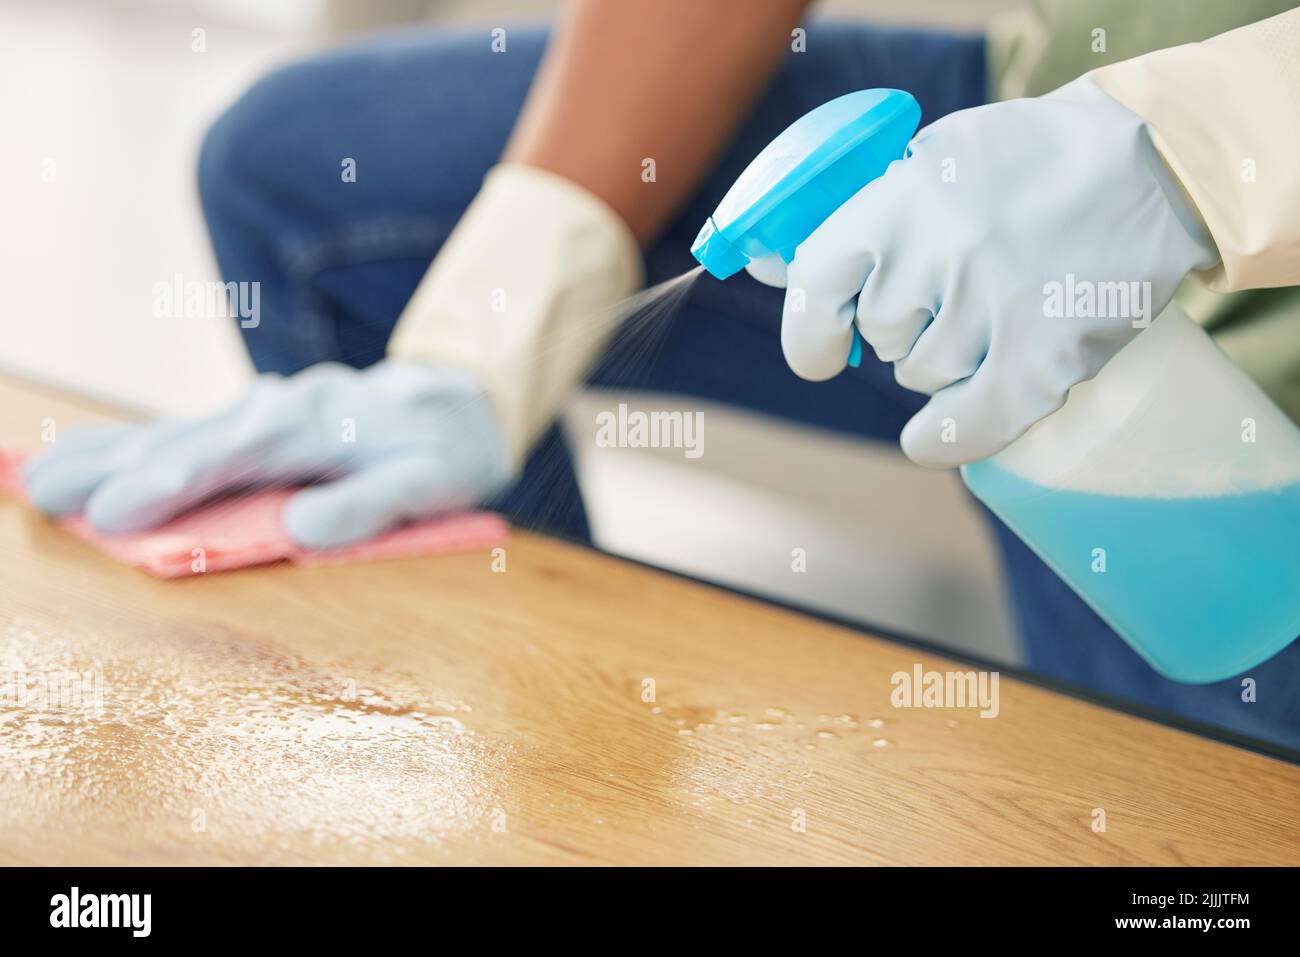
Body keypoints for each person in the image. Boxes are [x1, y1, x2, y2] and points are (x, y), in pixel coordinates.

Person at [23, 1, 1300, 747]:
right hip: (1033, 121)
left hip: (1226, 241)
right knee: (300, 177)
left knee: (1190, 812)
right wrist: (478, 353)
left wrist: (1197, 154)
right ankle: (551, 772)